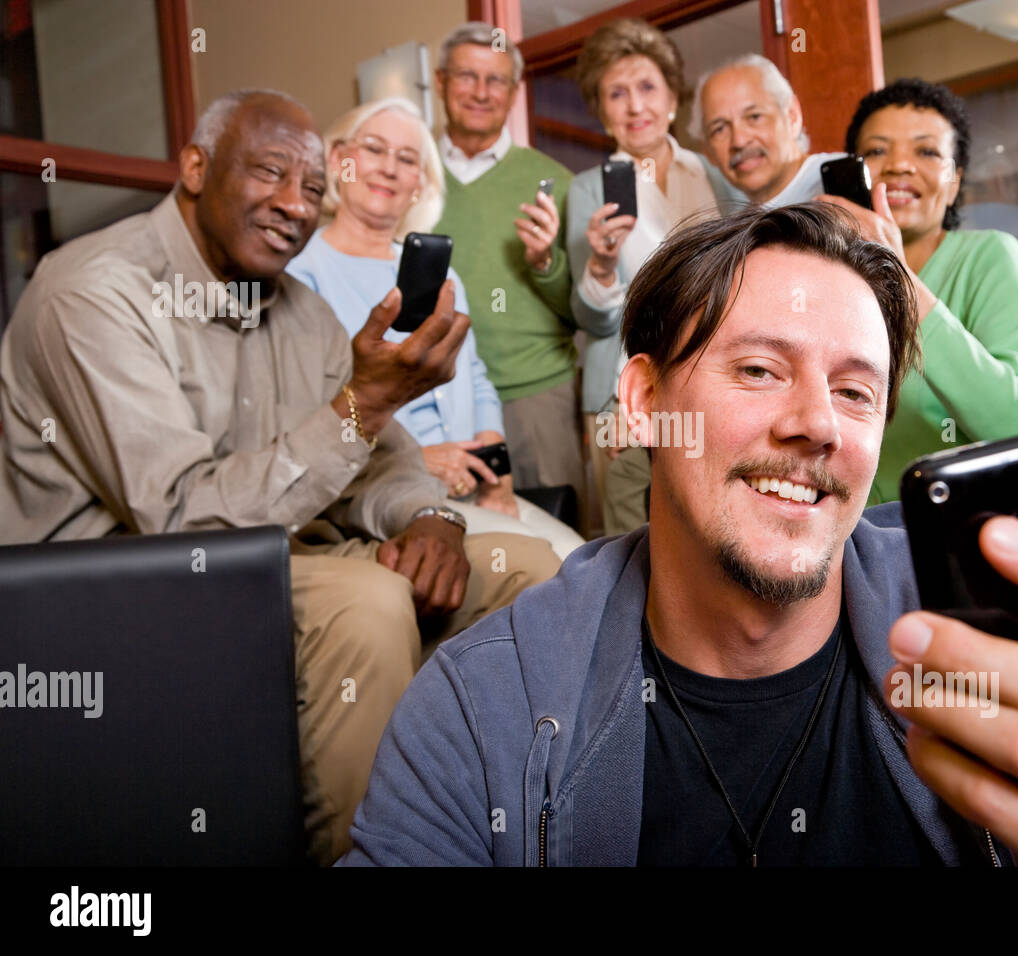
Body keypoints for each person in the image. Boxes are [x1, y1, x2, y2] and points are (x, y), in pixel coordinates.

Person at [340, 203, 1018, 866]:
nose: (820, 425)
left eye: (855, 391)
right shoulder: (486, 702)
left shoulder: (1001, 630)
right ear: (639, 401)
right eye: (758, 370)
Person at [0, 89, 560, 865]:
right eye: (270, 173)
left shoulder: (304, 313)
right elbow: (179, 515)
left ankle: (503, 843)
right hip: (110, 586)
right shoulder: (95, 291)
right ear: (195, 168)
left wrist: (432, 519)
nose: (295, 206)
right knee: (366, 603)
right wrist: (366, 399)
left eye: (312, 189)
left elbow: (380, 462)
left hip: (273, 556)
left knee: (527, 567)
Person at [287, 97, 584, 560]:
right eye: (374, 149)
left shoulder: (443, 277)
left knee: (583, 562)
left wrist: (495, 468)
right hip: (384, 497)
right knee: (549, 567)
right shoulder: (302, 278)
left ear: (420, 184)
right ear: (337, 159)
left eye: (407, 159)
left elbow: (476, 377)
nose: (389, 168)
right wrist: (416, 461)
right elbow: (309, 415)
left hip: (471, 487)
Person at [834, 78, 1018, 503]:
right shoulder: (831, 277)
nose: (899, 166)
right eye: (878, 150)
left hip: (957, 530)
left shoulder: (991, 256)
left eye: (926, 152)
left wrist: (898, 274)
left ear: (955, 182)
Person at [565, 18, 743, 535]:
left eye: (647, 88)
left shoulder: (713, 176)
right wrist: (599, 264)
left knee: (706, 529)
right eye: (616, 94)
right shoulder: (587, 190)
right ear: (602, 113)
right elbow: (591, 320)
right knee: (624, 539)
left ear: (671, 100)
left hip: (706, 381)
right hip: (617, 395)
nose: (635, 106)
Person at [433, 22, 587, 507]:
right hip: (437, 397)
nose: (481, 92)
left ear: (514, 91)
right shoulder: (403, 179)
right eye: (467, 77)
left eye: (496, 80)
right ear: (440, 82)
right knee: (454, 556)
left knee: (560, 548)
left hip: (535, 397)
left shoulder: (556, 182)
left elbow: (582, 311)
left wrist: (545, 262)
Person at [693, 54, 843, 207]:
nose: (739, 141)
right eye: (719, 129)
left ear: (792, 116)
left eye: (754, 117)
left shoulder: (847, 181)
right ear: (707, 151)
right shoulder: (738, 221)